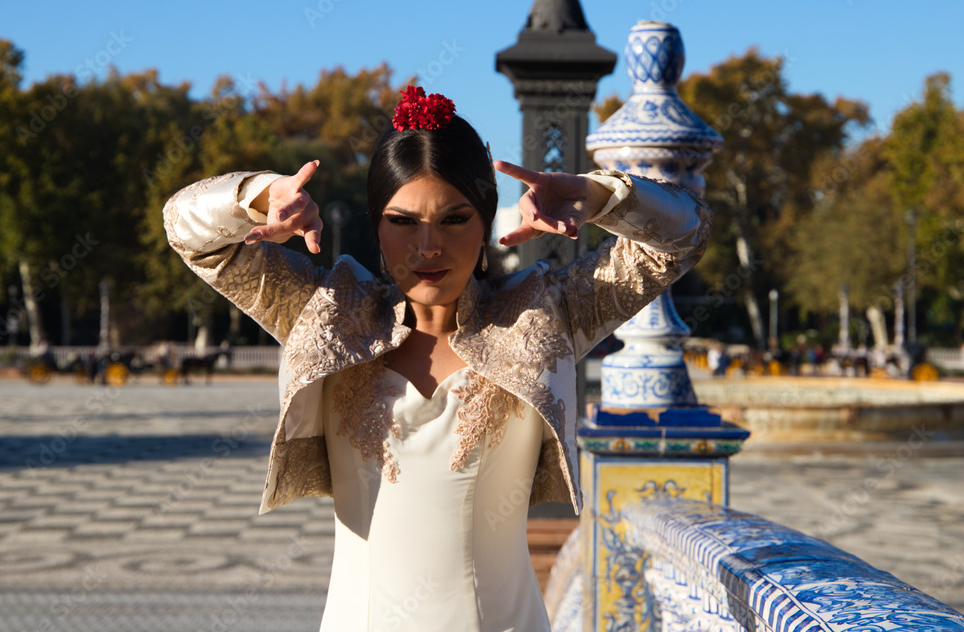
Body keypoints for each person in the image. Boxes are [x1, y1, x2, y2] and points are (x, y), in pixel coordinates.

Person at [164, 86, 711, 631]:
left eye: (454, 219)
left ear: (486, 221)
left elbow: (685, 235)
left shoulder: (544, 318)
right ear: (376, 224)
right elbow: (186, 229)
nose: (428, 246)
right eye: (403, 221)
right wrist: (258, 196)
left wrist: (597, 197)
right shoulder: (326, 316)